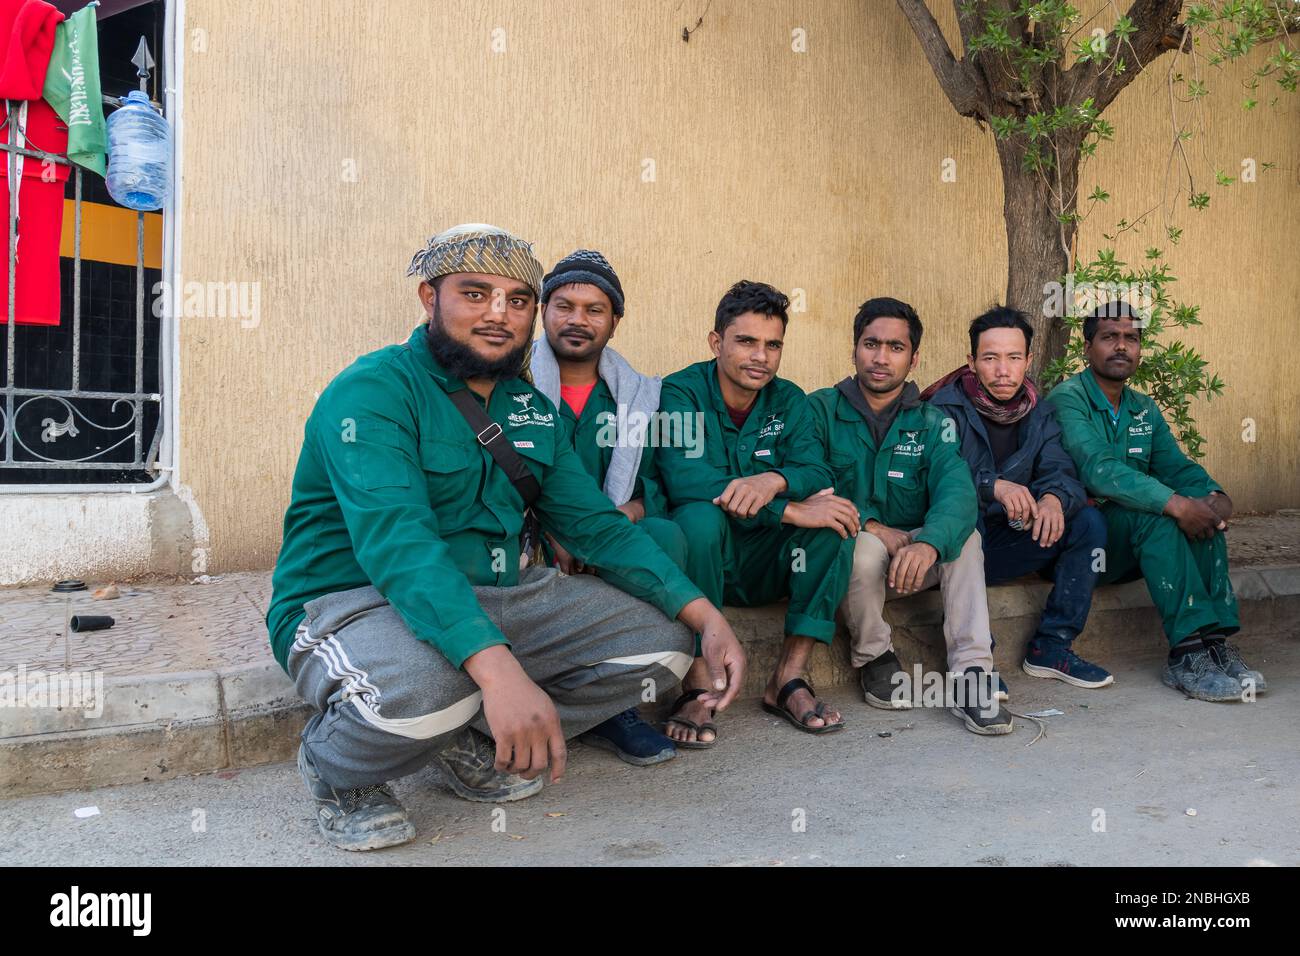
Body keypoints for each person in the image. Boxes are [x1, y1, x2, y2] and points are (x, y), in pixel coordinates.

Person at [266, 224, 746, 851]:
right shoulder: (373, 391)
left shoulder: (530, 409)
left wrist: (707, 615)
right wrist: (498, 674)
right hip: (354, 600)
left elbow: (596, 528)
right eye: (475, 293)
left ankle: (467, 737)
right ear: (428, 298)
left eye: (517, 300)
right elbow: (400, 545)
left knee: (663, 646)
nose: (499, 315)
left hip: (496, 592)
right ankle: (337, 772)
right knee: (427, 689)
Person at [656, 280, 858, 742]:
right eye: (746, 341)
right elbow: (686, 479)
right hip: (707, 561)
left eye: (772, 345)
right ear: (716, 342)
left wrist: (774, 481)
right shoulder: (681, 393)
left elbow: (812, 466)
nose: (760, 356)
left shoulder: (788, 399)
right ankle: (698, 685)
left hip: (766, 561)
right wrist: (790, 512)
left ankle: (787, 678)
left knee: (835, 520)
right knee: (698, 517)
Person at [808, 297, 1013, 735]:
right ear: (855, 349)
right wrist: (873, 525)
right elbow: (812, 483)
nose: (881, 358)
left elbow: (957, 492)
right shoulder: (820, 411)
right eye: (871, 344)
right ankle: (875, 656)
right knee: (859, 543)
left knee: (966, 537)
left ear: (913, 357)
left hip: (912, 561)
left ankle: (972, 672)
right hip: (853, 564)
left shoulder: (934, 422)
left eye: (895, 348)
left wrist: (928, 542)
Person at [1047, 301, 1263, 702]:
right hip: (1086, 543)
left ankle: (1214, 643)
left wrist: (1215, 497)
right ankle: (1185, 655)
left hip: (1133, 545)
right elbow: (1099, 470)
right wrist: (1177, 505)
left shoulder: (1142, 407)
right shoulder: (1068, 399)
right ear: (1087, 346)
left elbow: (1175, 466)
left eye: (1131, 338)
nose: (1121, 347)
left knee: (1203, 518)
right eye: (1109, 337)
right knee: (1167, 517)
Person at [530, 247, 687, 766]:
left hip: (611, 533)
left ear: (614, 322)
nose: (578, 320)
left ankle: (615, 706)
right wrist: (558, 532)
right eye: (564, 305)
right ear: (543, 311)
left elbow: (660, 484)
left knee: (665, 538)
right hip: (530, 539)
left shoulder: (641, 397)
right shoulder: (510, 386)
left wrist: (614, 522)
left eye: (594, 309)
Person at [925, 305, 1110, 687]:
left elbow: (1061, 471)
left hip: (1005, 546)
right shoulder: (942, 409)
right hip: (952, 553)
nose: (1002, 370)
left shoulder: (1039, 413)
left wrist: (1054, 498)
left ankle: (1052, 647)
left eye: (1013, 357)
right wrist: (992, 485)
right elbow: (934, 479)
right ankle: (979, 659)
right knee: (963, 516)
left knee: (1088, 521)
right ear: (972, 361)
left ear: (1028, 360)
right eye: (990, 358)